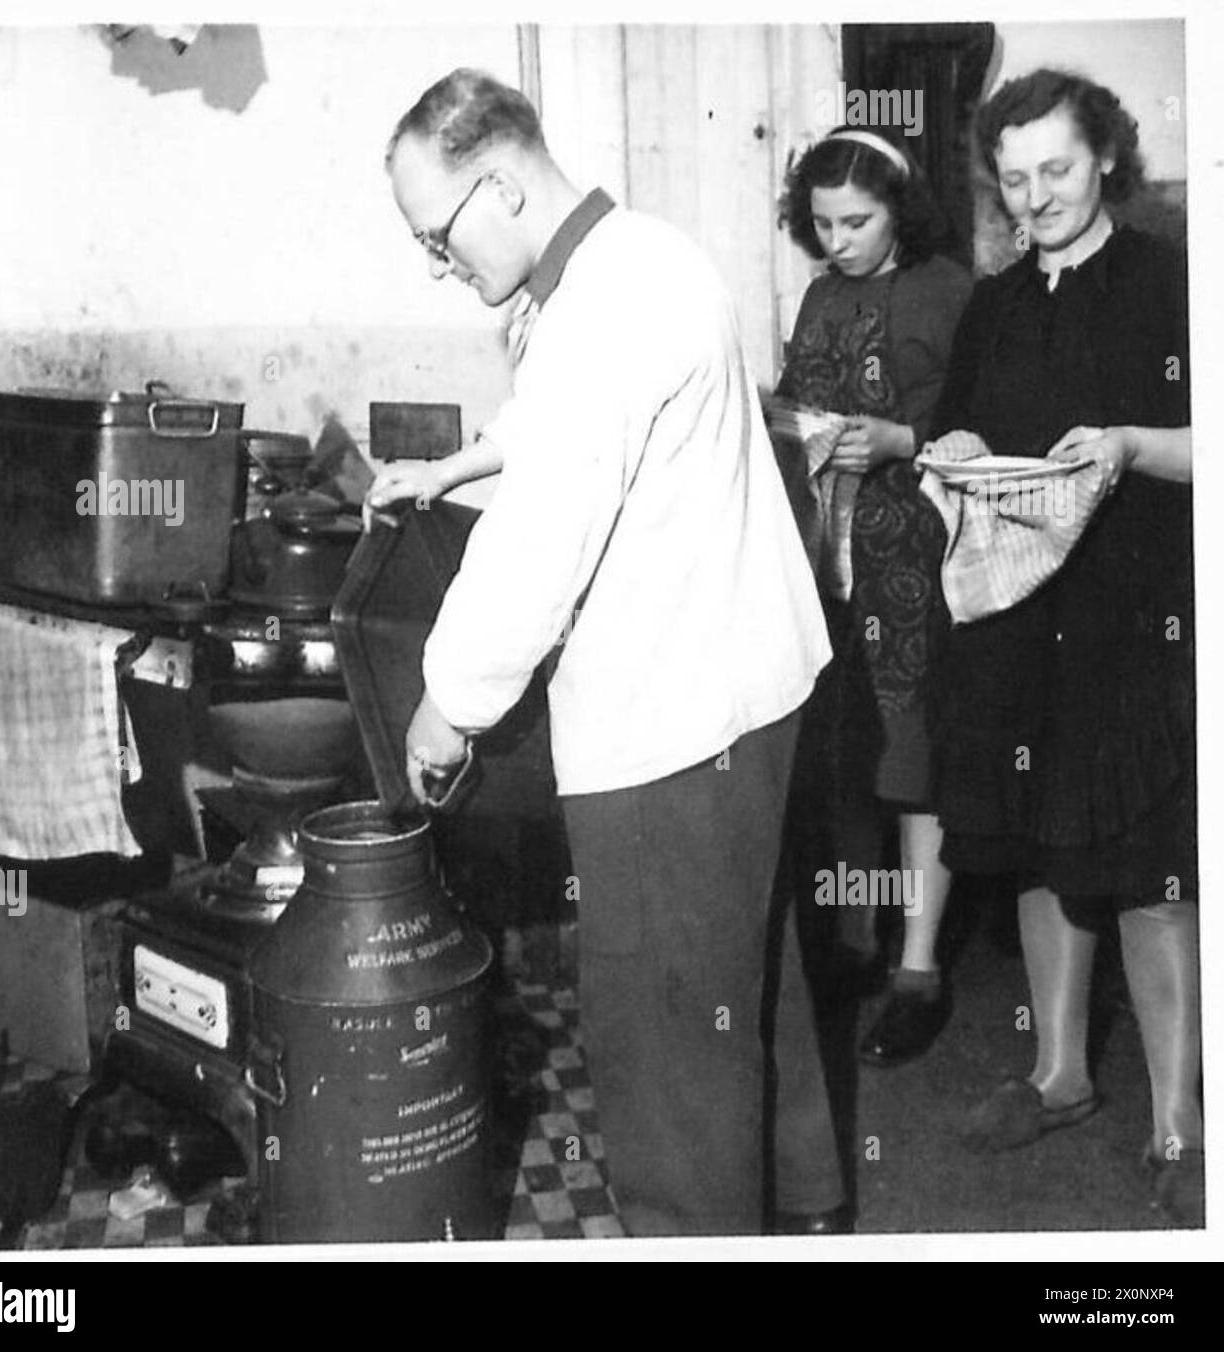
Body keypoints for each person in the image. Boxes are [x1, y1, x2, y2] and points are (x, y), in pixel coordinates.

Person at [375, 68, 838, 1236]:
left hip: (674, 725)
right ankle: (810, 1206)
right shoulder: (638, 255)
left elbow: (539, 544)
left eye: (436, 235)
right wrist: (457, 464)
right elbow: (566, 421)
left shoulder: (598, 307)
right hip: (751, 688)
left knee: (666, 1032)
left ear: (497, 184)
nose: (438, 263)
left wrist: (445, 706)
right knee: (747, 980)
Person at [928, 69, 1199, 1226]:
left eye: (1056, 168)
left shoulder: (1171, 283)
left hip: (1133, 615)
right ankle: (1061, 1074)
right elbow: (955, 422)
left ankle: (1178, 1125)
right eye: (1014, 174)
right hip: (1013, 618)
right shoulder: (992, 303)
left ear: (1104, 162)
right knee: (1040, 843)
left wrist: (1132, 442)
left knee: (1142, 861)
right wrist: (955, 450)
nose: (1035, 193)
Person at [767, 126, 972, 1065]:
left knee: (914, 758)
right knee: (845, 750)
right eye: (822, 223)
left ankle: (919, 970)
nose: (839, 240)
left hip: (917, 555)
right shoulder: (817, 296)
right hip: (827, 557)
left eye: (858, 220)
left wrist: (899, 439)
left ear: (901, 210)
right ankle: (858, 944)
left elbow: (991, 422)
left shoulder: (949, 292)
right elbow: (790, 399)